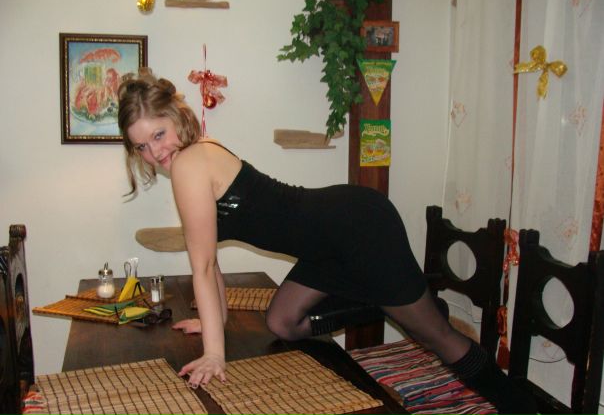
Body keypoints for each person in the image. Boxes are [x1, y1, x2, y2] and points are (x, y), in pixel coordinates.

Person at [117, 69, 536, 415]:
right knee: (282, 322)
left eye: (159, 134)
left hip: (359, 227)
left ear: (176, 116)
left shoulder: (190, 163)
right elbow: (212, 261)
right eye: (142, 146)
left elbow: (204, 266)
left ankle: (521, 405)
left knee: (437, 336)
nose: (155, 152)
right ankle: (385, 299)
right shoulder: (193, 158)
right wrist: (215, 324)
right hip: (326, 245)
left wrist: (214, 353)